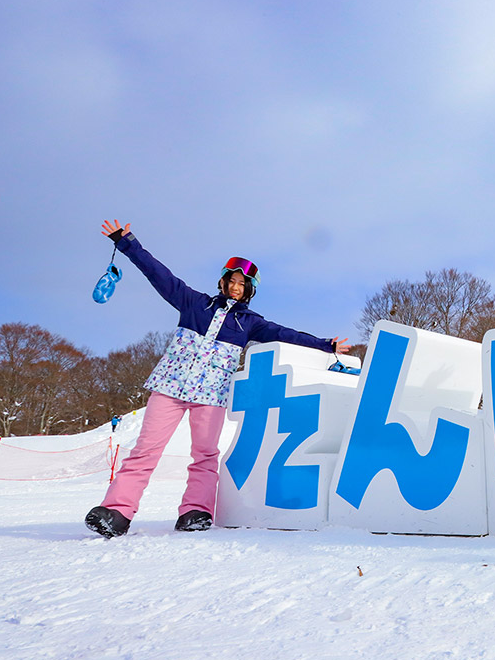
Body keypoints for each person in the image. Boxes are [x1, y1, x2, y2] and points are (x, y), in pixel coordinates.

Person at [85, 220, 350, 538]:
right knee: (145, 450)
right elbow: (158, 273)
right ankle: (117, 511)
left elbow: (285, 334)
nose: (236, 288)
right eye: (232, 281)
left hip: (210, 394)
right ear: (223, 282)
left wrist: (325, 344)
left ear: (249, 290)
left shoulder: (250, 323)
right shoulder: (194, 303)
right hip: (170, 385)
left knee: (205, 454)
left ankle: (195, 511)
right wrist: (127, 242)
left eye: (243, 284)